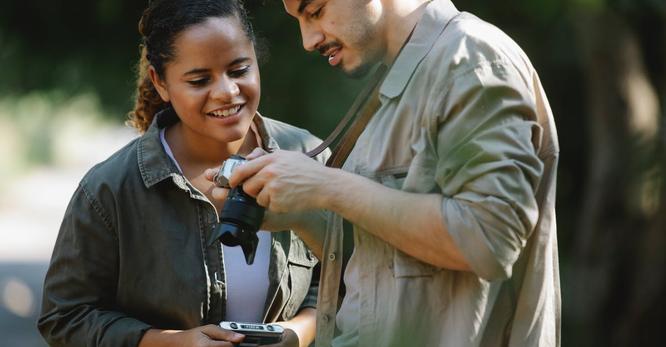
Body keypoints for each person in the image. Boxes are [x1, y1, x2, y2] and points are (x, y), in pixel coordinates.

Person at [210, 0, 561, 346]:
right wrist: (298, 214)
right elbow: (386, 263)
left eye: (315, 11)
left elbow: (489, 239)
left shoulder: (469, 59)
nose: (308, 40)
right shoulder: (400, 74)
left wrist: (326, 186)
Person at [37, 0, 324, 346]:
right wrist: (174, 342)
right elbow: (64, 318)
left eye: (239, 70)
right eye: (200, 79)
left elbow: (352, 278)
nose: (226, 92)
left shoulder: (312, 157)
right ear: (160, 83)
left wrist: (296, 333)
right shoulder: (109, 191)